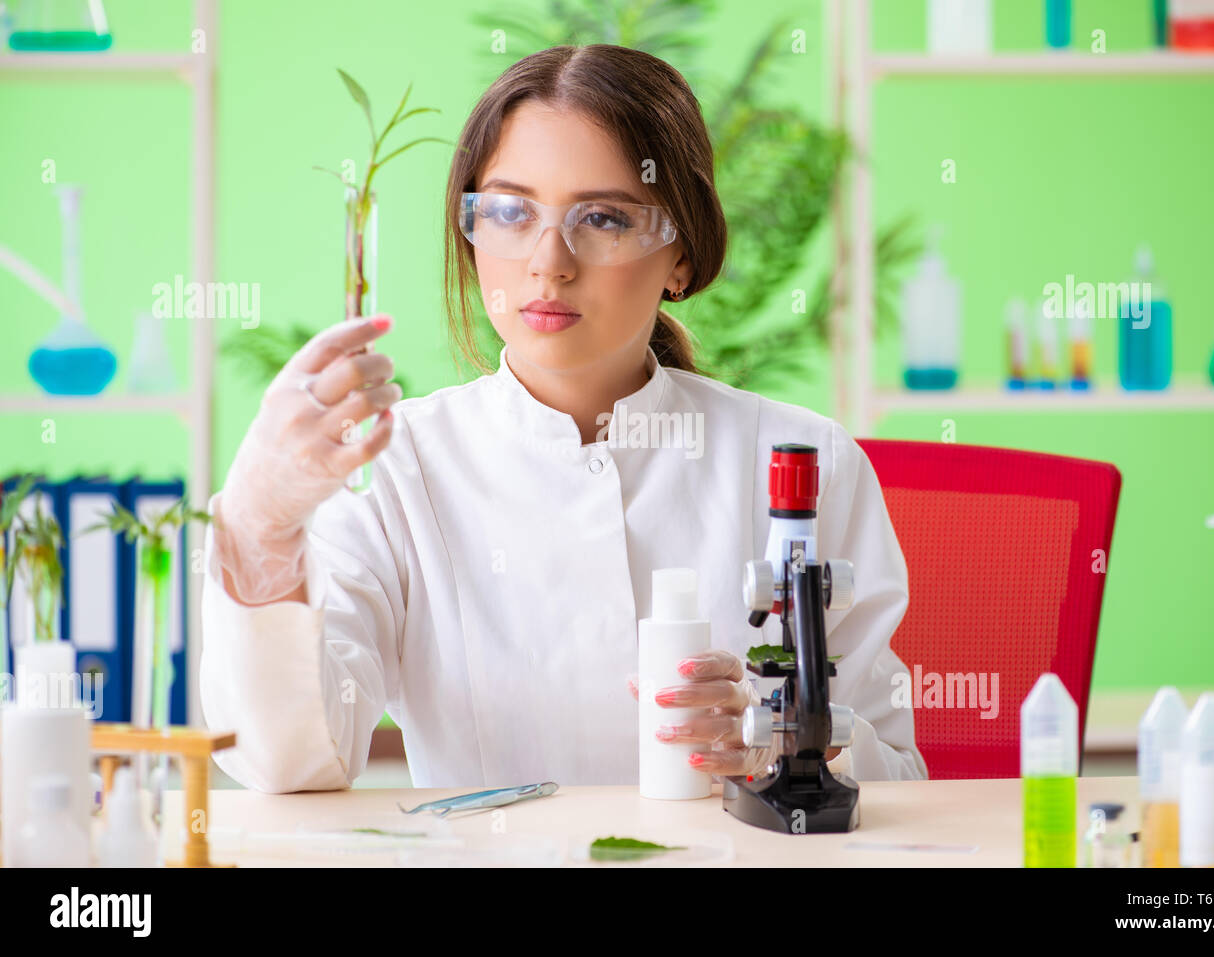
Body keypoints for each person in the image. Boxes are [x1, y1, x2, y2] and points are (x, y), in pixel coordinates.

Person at [201, 43, 927, 791]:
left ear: (682, 254)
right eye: (511, 212)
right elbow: (288, 761)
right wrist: (261, 524)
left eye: (604, 217)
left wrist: (782, 740)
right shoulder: (399, 467)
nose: (549, 261)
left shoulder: (802, 462)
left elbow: (902, 778)